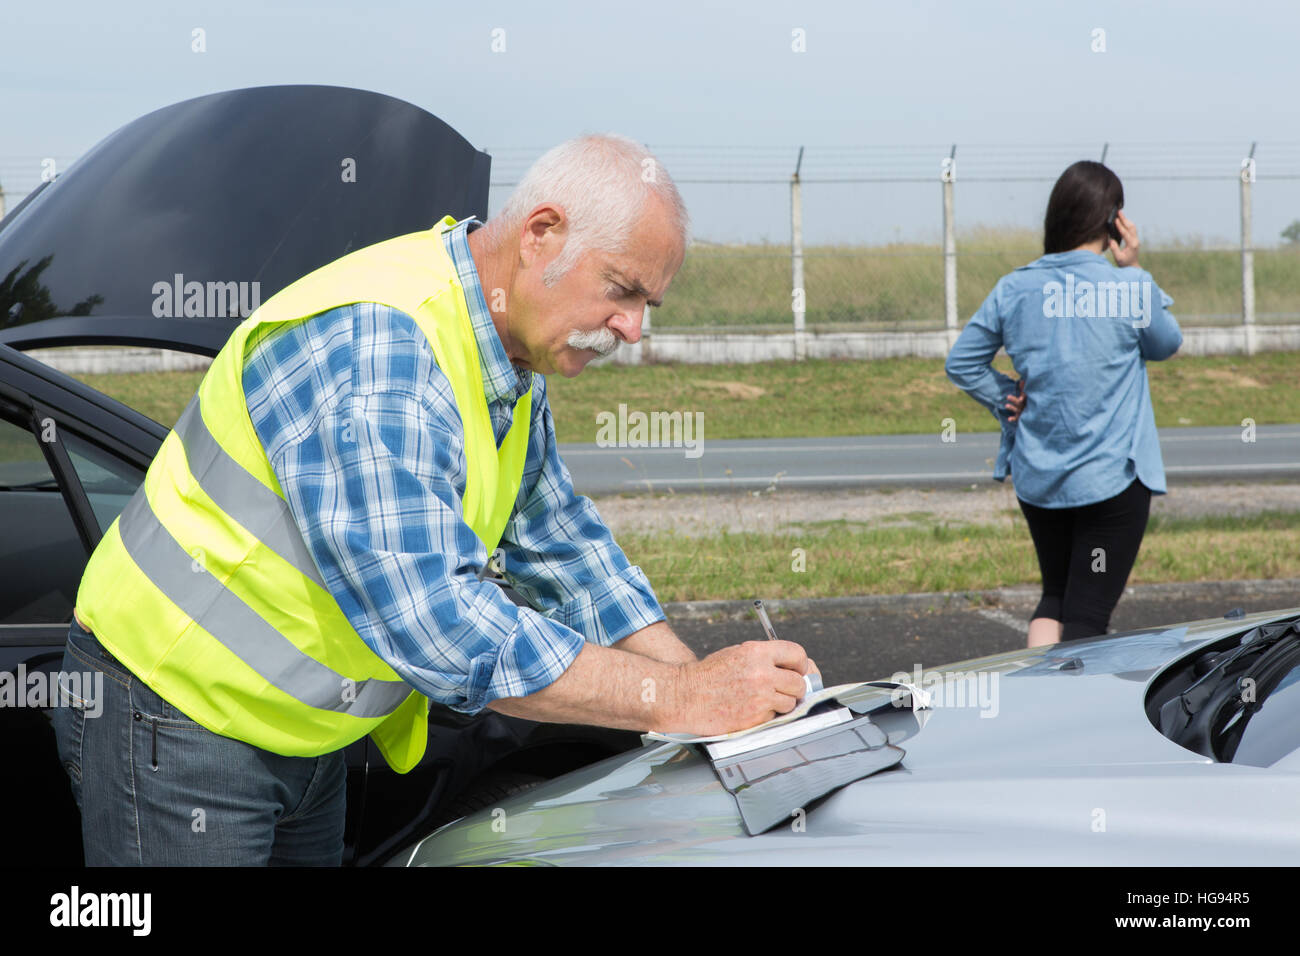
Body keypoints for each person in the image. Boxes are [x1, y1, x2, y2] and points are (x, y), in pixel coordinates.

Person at [53, 134, 815, 865]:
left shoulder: (505, 354)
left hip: (302, 728)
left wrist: (708, 695)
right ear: (542, 234)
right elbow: (436, 622)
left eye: (649, 303)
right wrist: (677, 698)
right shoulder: (385, 347)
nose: (634, 329)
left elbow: (560, 541)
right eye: (622, 290)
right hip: (176, 713)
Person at [945, 160, 1182, 648]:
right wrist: (1134, 267)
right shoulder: (1128, 287)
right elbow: (1164, 343)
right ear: (1114, 221)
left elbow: (962, 363)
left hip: (1040, 480)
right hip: (1112, 480)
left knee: (1055, 595)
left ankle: (1034, 702)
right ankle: (1063, 716)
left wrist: (1006, 396)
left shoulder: (1014, 287)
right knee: (1088, 616)